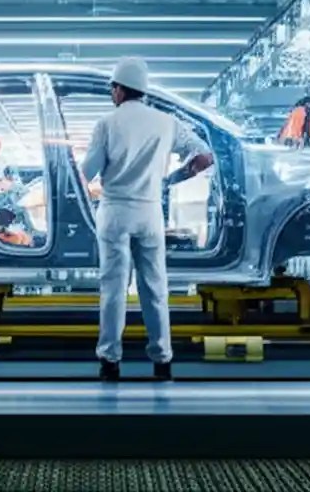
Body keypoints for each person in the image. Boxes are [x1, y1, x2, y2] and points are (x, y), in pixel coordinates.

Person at [81, 57, 214, 381]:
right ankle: (162, 359)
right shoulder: (166, 122)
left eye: (112, 88)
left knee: (113, 289)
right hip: (150, 212)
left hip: (114, 212)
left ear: (118, 89)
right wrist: (177, 175)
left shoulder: (107, 124)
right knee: (155, 288)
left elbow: (87, 171)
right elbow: (204, 155)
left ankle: (110, 360)